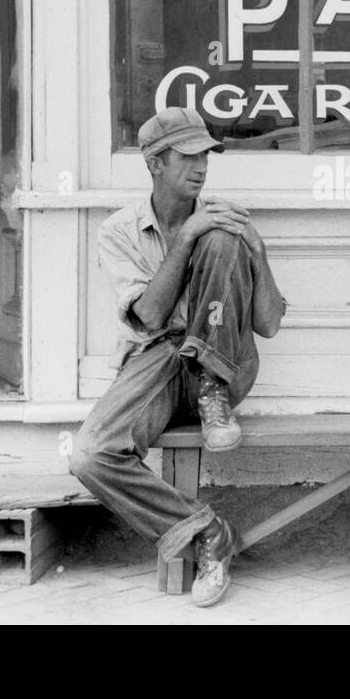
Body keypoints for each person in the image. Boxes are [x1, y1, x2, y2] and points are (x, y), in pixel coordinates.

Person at [69, 107, 285, 607]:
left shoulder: (224, 225)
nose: (201, 166)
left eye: (206, 154)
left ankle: (213, 387)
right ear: (154, 163)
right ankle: (207, 532)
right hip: (158, 361)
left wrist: (256, 249)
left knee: (221, 237)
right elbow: (146, 318)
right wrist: (186, 236)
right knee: (89, 455)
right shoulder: (119, 230)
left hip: (226, 368)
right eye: (187, 156)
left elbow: (269, 325)